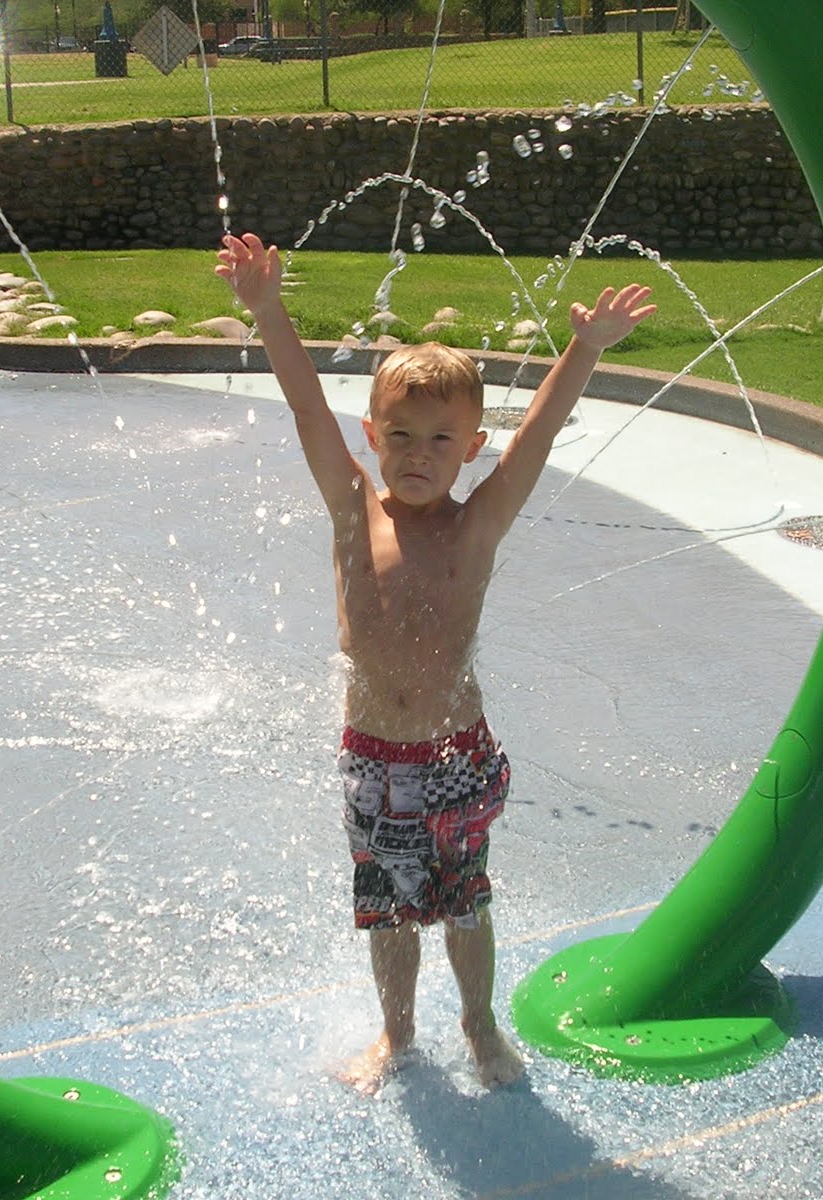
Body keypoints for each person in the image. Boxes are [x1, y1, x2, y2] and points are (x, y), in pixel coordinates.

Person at [215, 232, 656, 1095]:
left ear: (472, 447)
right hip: (375, 759)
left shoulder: (476, 525)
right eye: (403, 436)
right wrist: (267, 311)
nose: (419, 454)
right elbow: (308, 412)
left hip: (455, 755)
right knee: (388, 909)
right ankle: (397, 1033)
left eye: (441, 440)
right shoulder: (354, 511)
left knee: (464, 902)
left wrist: (585, 349)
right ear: (373, 435)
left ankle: (478, 1023)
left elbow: (539, 435)